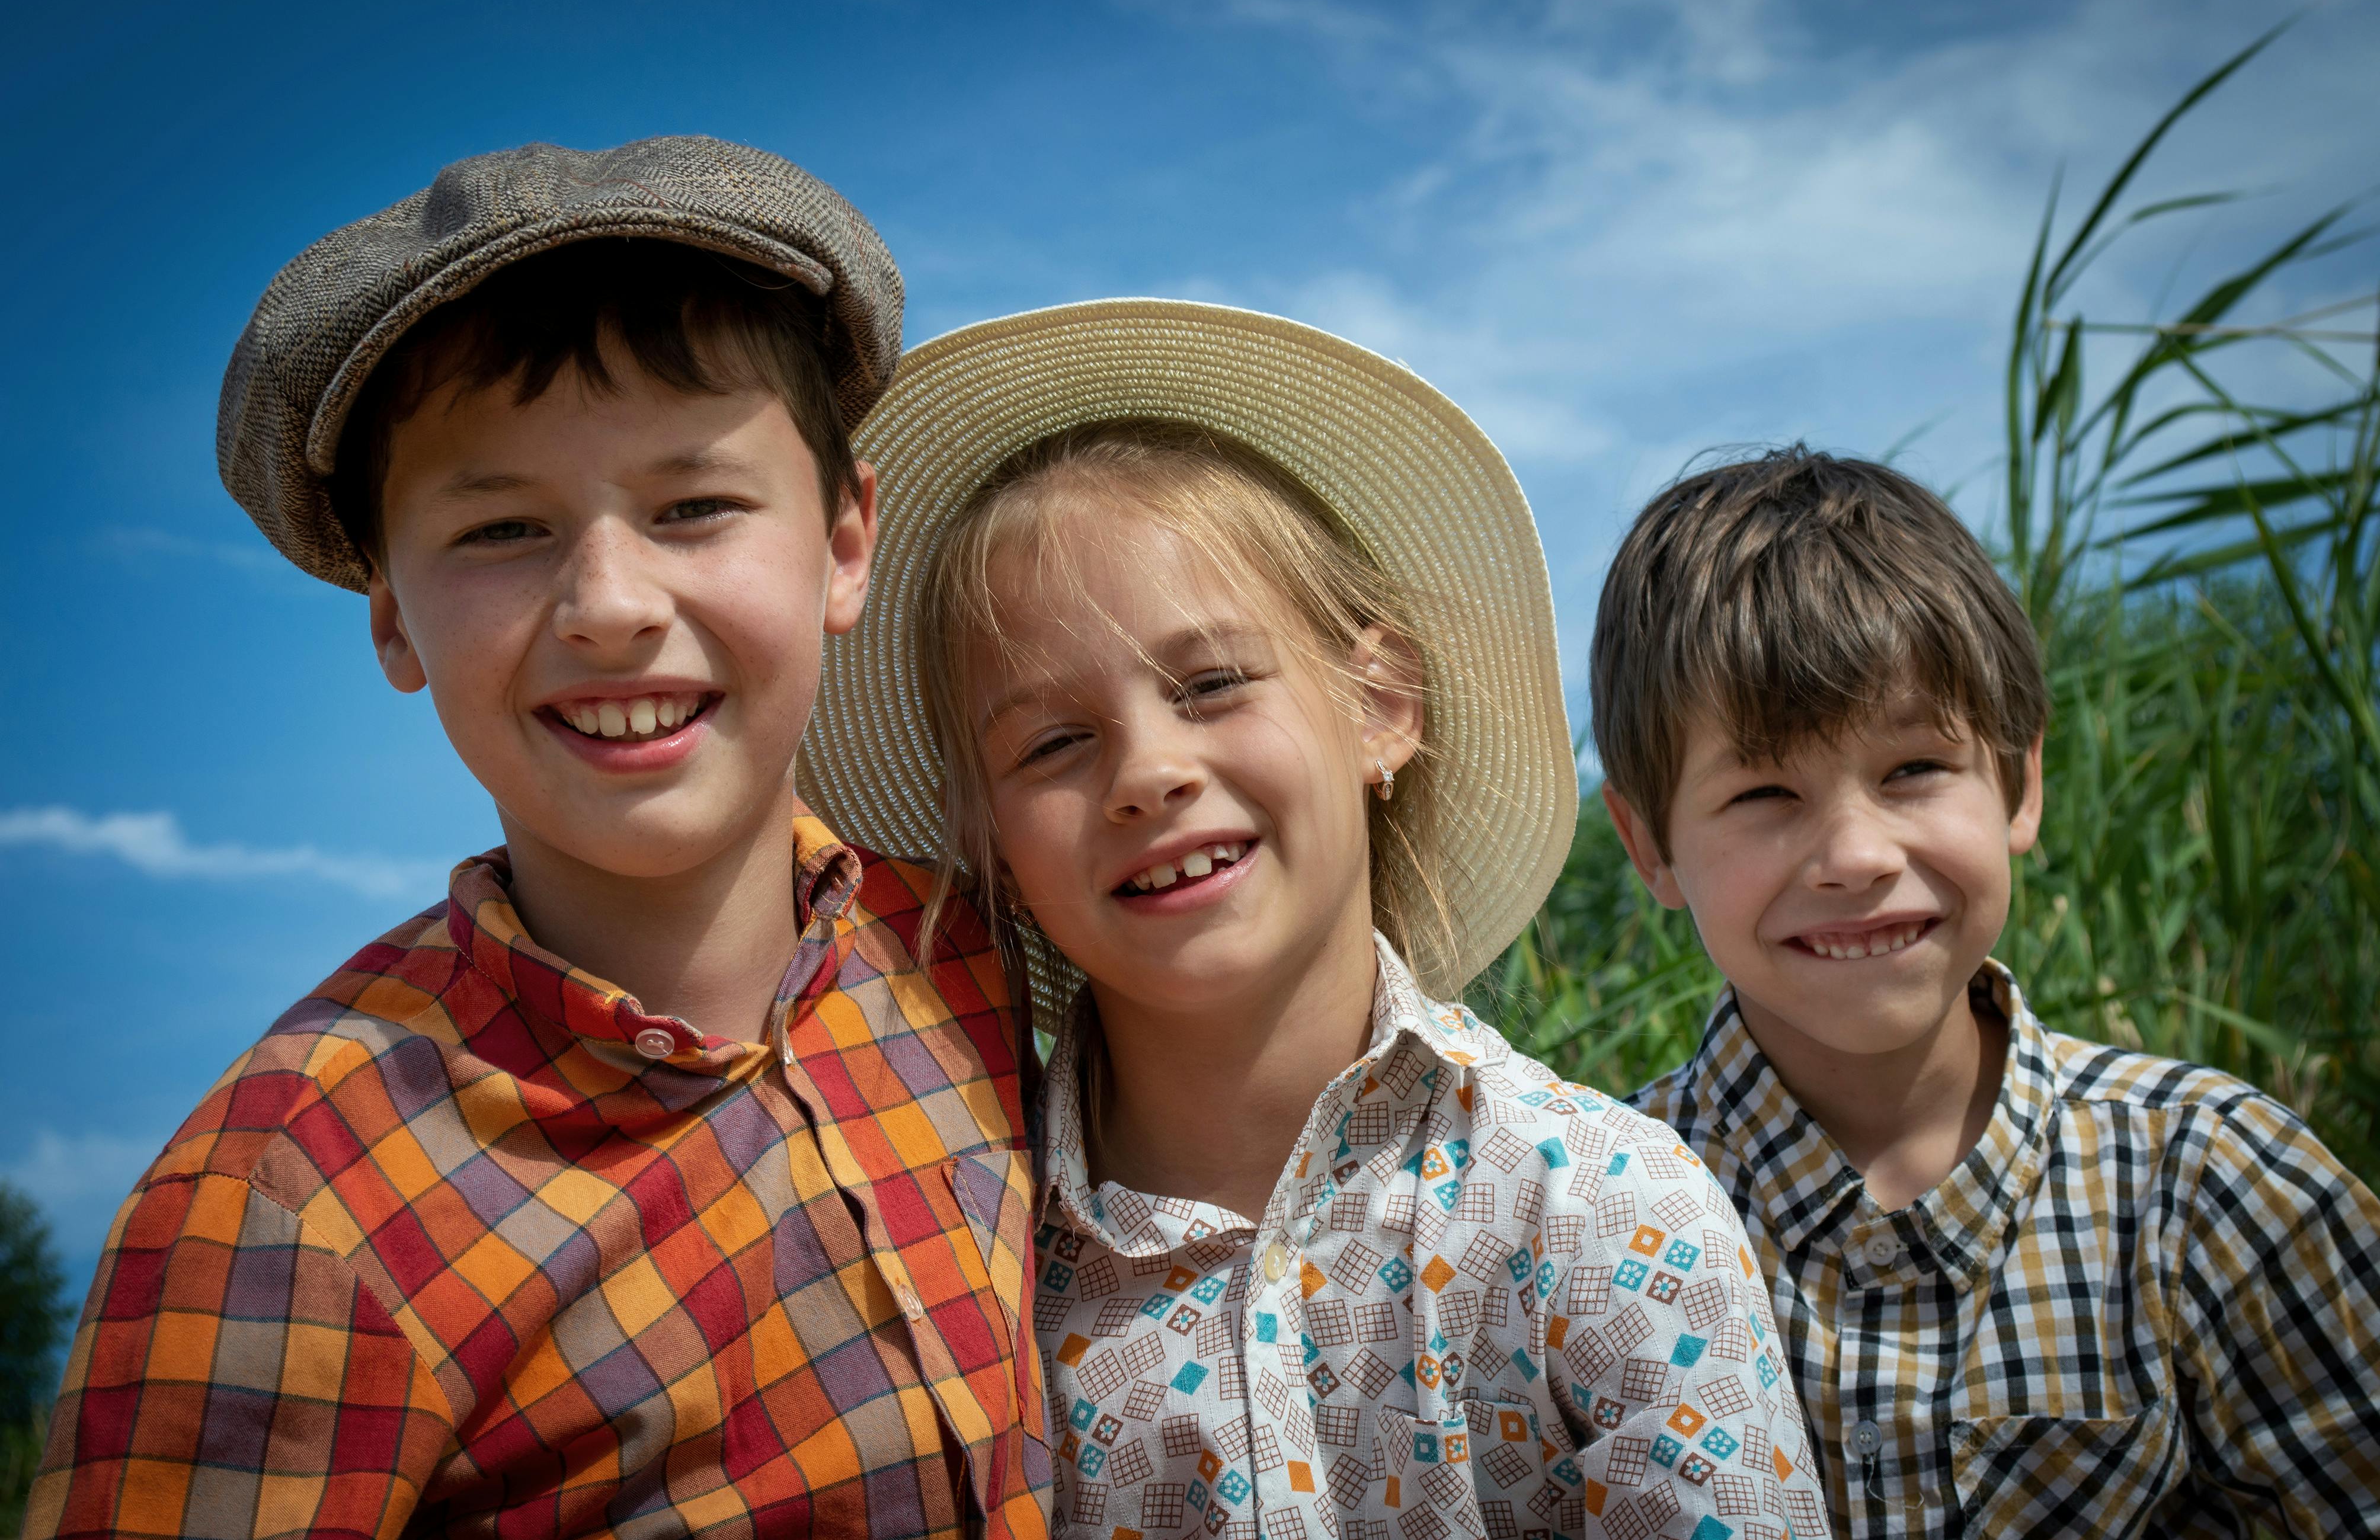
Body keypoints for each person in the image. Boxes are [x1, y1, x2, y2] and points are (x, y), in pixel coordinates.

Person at [28, 139, 1051, 1538]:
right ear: (392, 616)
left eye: (694, 506)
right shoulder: (284, 1205)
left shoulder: (979, 956)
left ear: (847, 539)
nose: (609, 604)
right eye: (505, 527)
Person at [799, 300, 1835, 1540]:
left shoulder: (1597, 1208)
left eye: (1213, 685)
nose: (1146, 772)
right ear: (993, 851)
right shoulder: (967, 1269)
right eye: (1054, 742)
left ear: (1380, 707)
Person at [1598, 447, 2380, 1538]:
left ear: (2020, 781)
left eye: (1914, 769)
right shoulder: (1591, 1222)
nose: (1856, 854)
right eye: (1766, 790)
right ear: (1652, 849)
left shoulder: (2214, 1187)